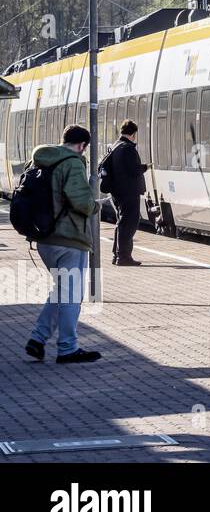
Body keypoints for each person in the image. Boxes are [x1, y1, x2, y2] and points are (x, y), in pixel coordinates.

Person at [25, 124, 101, 364]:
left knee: (61, 291)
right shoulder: (72, 163)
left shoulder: (40, 160)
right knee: (71, 295)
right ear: (82, 146)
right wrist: (95, 204)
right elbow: (82, 202)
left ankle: (37, 340)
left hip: (44, 239)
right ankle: (68, 348)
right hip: (69, 239)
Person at [107, 119, 147, 266]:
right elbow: (133, 170)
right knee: (129, 223)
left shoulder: (115, 146)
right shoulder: (128, 148)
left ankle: (117, 255)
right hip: (128, 191)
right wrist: (144, 167)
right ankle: (123, 256)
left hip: (118, 191)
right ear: (133, 134)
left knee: (121, 222)